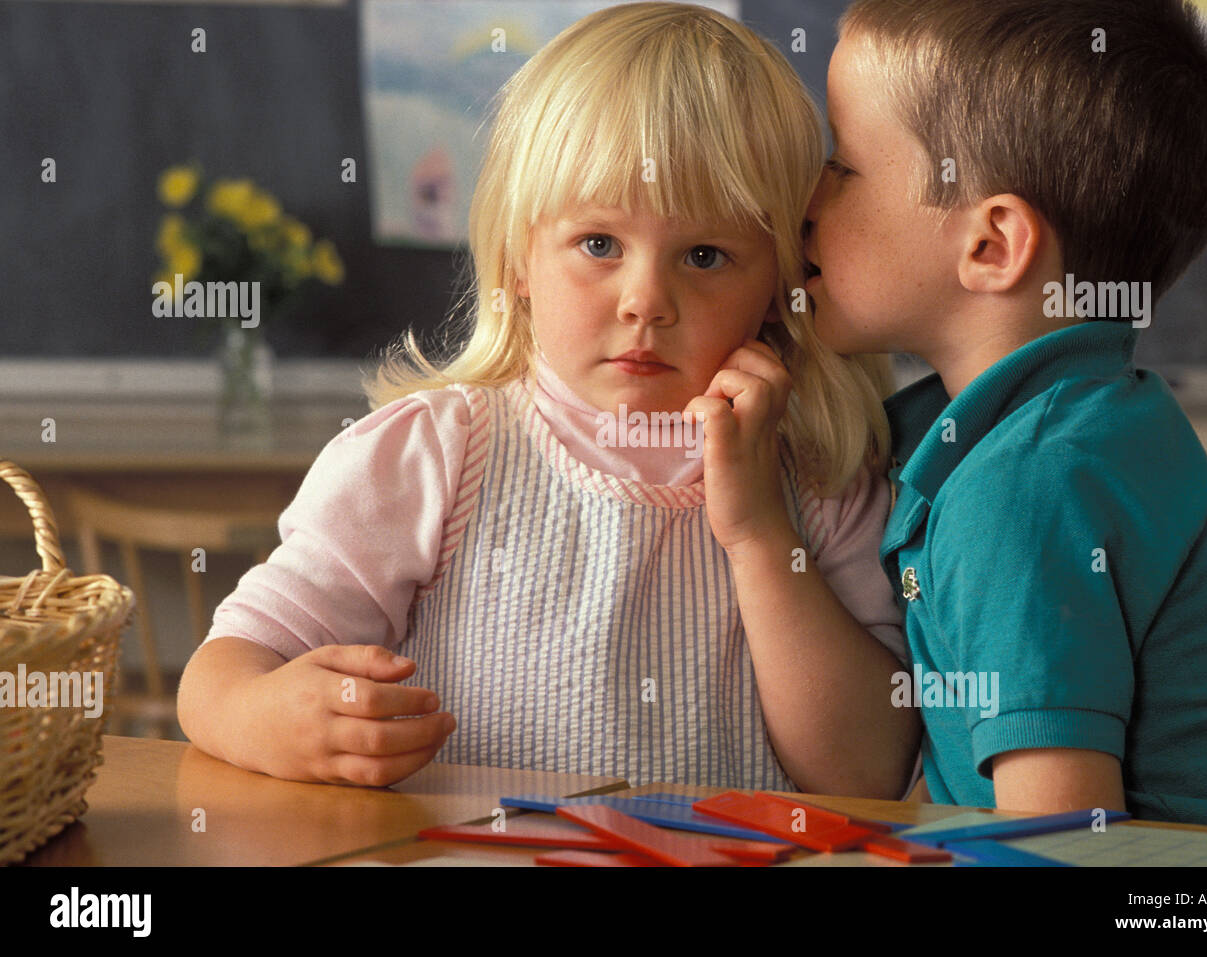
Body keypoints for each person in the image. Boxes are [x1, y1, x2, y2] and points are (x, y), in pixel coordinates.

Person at [178, 2, 919, 796]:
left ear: (775, 287)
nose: (646, 300)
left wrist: (761, 533)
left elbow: (865, 771)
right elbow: (219, 675)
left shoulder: (818, 475)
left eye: (705, 254)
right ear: (520, 259)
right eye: (599, 244)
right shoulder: (432, 453)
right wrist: (269, 715)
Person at [804, 0, 1207, 829]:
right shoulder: (1084, 419)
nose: (807, 197)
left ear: (992, 246)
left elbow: (1067, 841)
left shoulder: (1018, 488)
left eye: (843, 167)